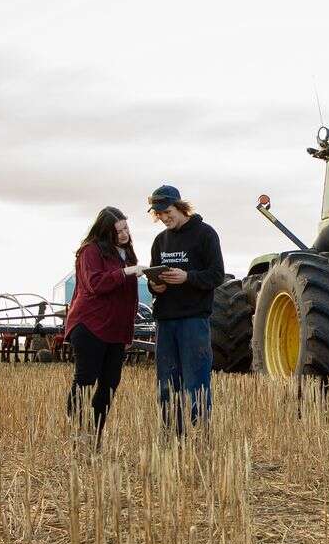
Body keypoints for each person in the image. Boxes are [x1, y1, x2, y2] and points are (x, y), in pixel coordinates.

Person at [146, 185, 225, 434]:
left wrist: (187, 277)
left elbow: (217, 275)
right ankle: (171, 434)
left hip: (193, 320)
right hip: (166, 320)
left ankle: (199, 434)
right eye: (159, 214)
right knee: (167, 383)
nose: (164, 218)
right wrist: (154, 285)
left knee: (196, 381)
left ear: (180, 207)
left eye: (167, 212)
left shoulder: (205, 234)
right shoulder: (160, 241)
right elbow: (152, 276)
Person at [62, 207, 143, 440]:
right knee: (85, 380)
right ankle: (76, 430)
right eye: (118, 231)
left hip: (116, 330)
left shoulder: (126, 254)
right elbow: (95, 284)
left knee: (110, 384)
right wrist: (126, 272)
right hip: (90, 325)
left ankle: (95, 434)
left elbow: (129, 300)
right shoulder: (90, 251)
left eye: (126, 228)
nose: (124, 234)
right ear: (105, 231)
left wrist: (127, 334)